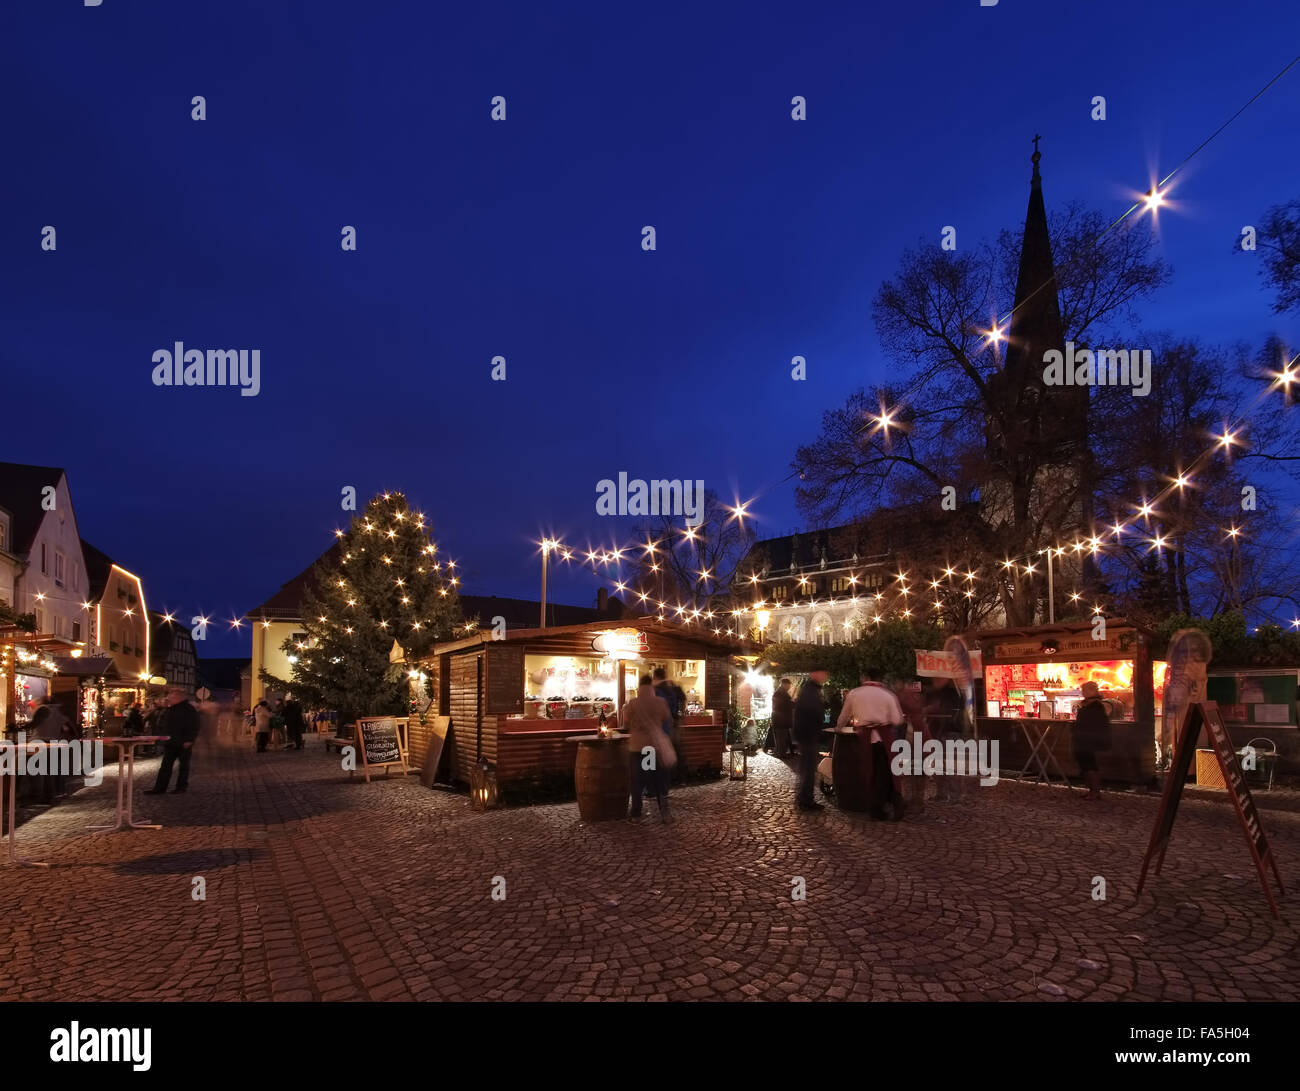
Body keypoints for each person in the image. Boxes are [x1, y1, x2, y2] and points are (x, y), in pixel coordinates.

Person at [837, 669, 907, 821]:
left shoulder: (855, 694)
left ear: (865, 677)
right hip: (885, 736)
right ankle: (896, 802)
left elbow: (843, 716)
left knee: (870, 772)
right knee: (891, 771)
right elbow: (898, 720)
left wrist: (838, 728)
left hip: (867, 737)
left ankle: (876, 808)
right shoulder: (888, 695)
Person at [620, 674, 675, 822]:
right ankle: (664, 813)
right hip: (651, 747)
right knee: (656, 779)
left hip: (637, 747)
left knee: (637, 781)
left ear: (640, 686)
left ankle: (636, 813)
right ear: (651, 686)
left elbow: (625, 723)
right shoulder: (660, 702)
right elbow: (666, 719)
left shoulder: (632, 703)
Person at [146, 687, 201, 794]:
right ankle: (160, 788)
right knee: (165, 767)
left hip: (183, 742)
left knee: (183, 766)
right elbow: (165, 724)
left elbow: (194, 725)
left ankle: (181, 787)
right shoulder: (171, 708)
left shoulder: (189, 709)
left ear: (178, 697)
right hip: (170, 742)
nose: (168, 698)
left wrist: (190, 740)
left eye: (170, 696)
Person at [793, 668, 829, 811]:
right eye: (823, 673)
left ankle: (804, 798)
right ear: (814, 674)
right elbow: (812, 712)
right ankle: (806, 800)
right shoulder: (810, 690)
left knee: (806, 768)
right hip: (808, 734)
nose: (825, 676)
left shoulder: (810, 689)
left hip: (806, 734)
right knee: (808, 768)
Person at [925, 678, 965, 803]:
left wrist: (928, 710)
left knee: (950, 765)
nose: (935, 680)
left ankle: (954, 796)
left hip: (948, 731)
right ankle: (942, 794)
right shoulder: (941, 693)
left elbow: (942, 710)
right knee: (939, 765)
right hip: (939, 731)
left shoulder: (953, 694)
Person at [1073, 681, 1110, 801]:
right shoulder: (1091, 704)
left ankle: (1094, 791)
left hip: (1088, 739)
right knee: (1086, 765)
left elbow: (1092, 723)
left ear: (1091, 691)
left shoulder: (1095, 705)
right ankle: (1092, 790)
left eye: (1084, 690)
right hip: (1085, 738)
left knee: (1089, 765)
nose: (1083, 692)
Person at [652, 668, 687, 783]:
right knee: (674, 750)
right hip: (674, 723)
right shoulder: (672, 687)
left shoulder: (657, 689)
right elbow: (682, 700)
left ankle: (660, 781)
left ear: (655, 676)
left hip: (663, 726)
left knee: (660, 752)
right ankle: (676, 778)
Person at [771, 678, 794, 758]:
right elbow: (784, 705)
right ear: (785, 684)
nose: (789, 687)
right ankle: (781, 754)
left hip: (780, 719)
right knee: (781, 738)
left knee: (782, 737)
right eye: (789, 685)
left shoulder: (780, 693)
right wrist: (793, 703)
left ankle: (782, 753)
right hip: (781, 720)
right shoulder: (781, 693)